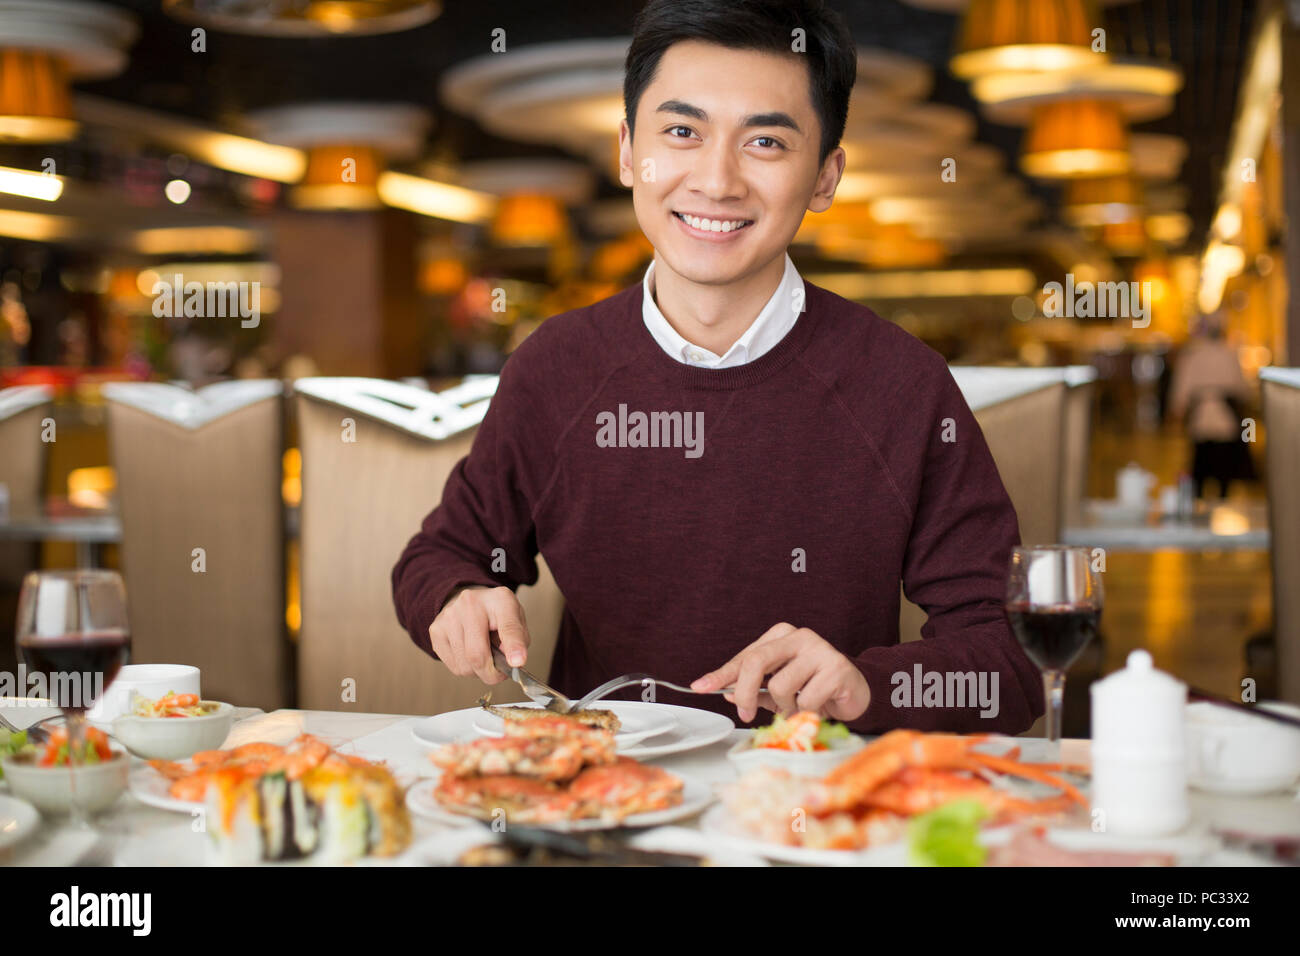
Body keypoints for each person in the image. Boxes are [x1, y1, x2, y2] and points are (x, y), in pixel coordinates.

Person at [392, 0, 1044, 733]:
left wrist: (865, 684)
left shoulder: (900, 382)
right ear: (628, 151)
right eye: (681, 132)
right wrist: (455, 595)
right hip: (598, 802)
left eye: (765, 142)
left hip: (812, 801)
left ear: (826, 178)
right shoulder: (557, 368)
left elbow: (1014, 661)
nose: (717, 179)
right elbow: (442, 553)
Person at [1167, 316, 1255, 498]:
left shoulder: (1192, 355)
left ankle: (1199, 511)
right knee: (1223, 473)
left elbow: (1181, 390)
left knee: (1201, 471)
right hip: (1224, 420)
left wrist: (1177, 410)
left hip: (1201, 421)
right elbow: (1242, 389)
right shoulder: (1229, 354)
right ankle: (1221, 505)